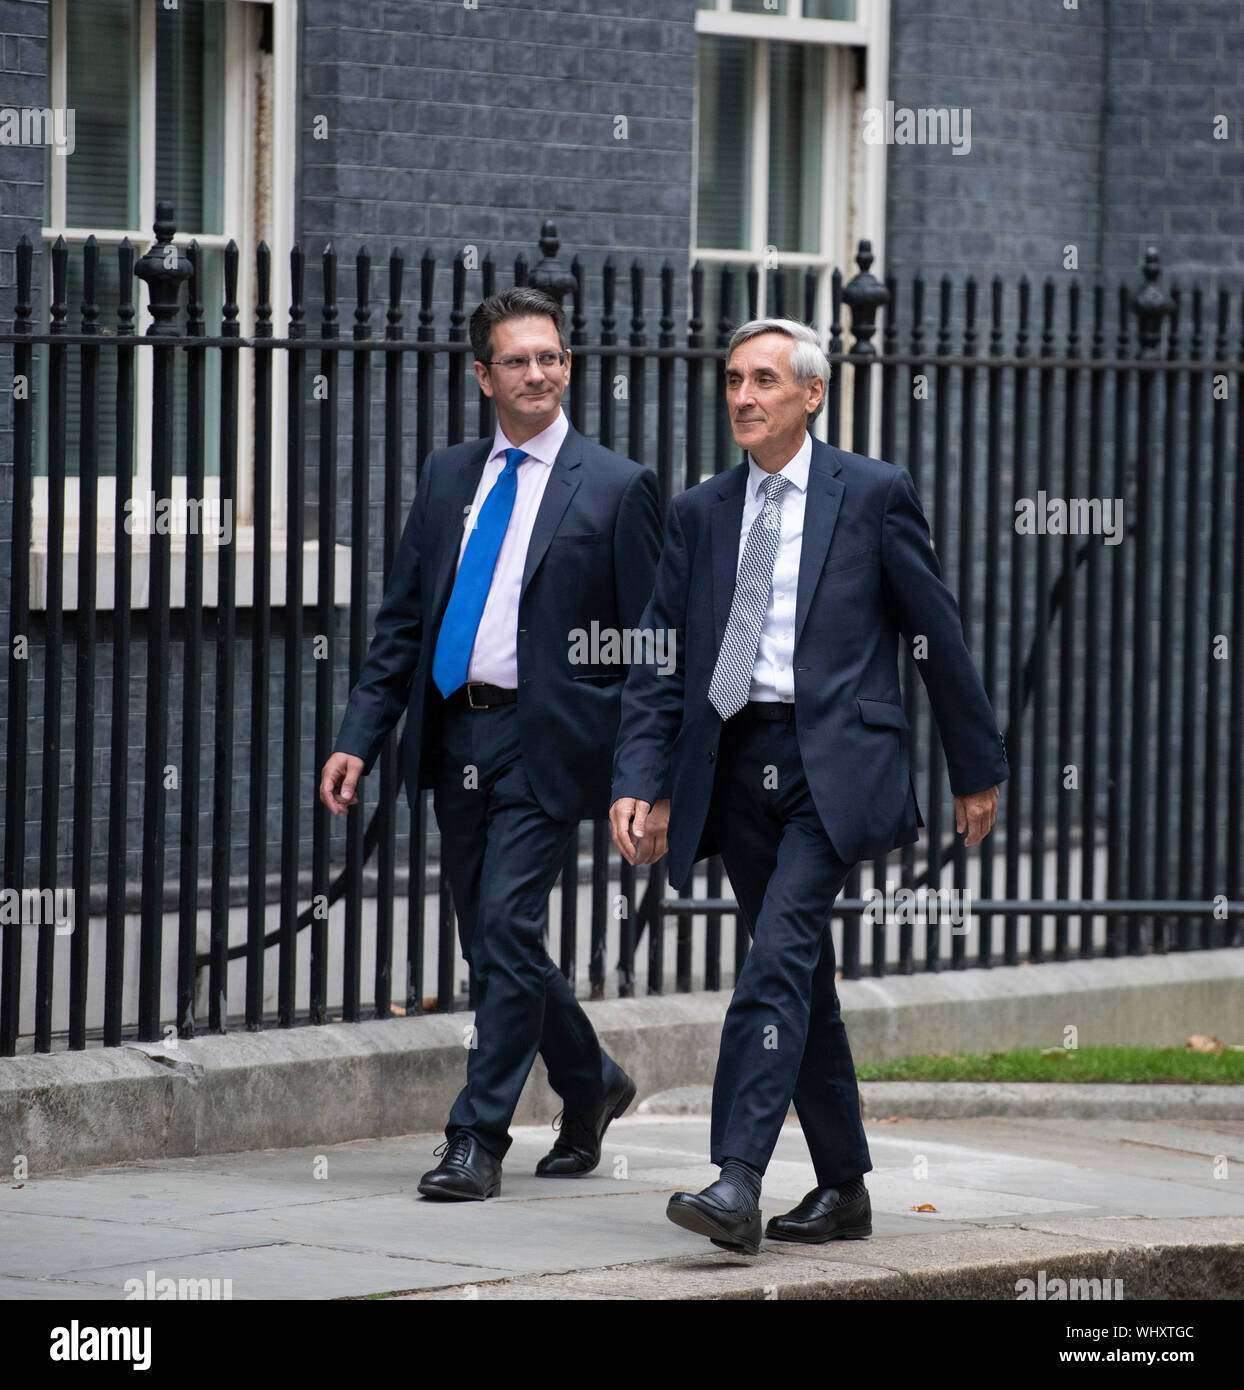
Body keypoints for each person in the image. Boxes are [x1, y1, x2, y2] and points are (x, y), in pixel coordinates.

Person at [610, 317, 1008, 1254]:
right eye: (734, 380)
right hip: (735, 763)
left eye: (764, 381)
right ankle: (845, 1189)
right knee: (801, 978)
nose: (744, 397)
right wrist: (644, 779)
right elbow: (660, 658)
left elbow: (936, 632)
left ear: (812, 394)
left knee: (775, 956)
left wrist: (976, 765)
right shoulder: (704, 511)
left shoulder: (870, 493)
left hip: (834, 764)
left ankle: (736, 1178)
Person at [322, 286, 662, 1200]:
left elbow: (651, 650)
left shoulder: (618, 486)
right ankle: (592, 1084)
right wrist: (361, 734)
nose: (539, 372)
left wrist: (643, 774)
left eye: (550, 355)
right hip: (452, 729)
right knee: (495, 944)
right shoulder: (448, 474)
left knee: (507, 927)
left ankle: (476, 1138)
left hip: (545, 740)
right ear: (483, 375)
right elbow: (404, 620)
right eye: (518, 359)